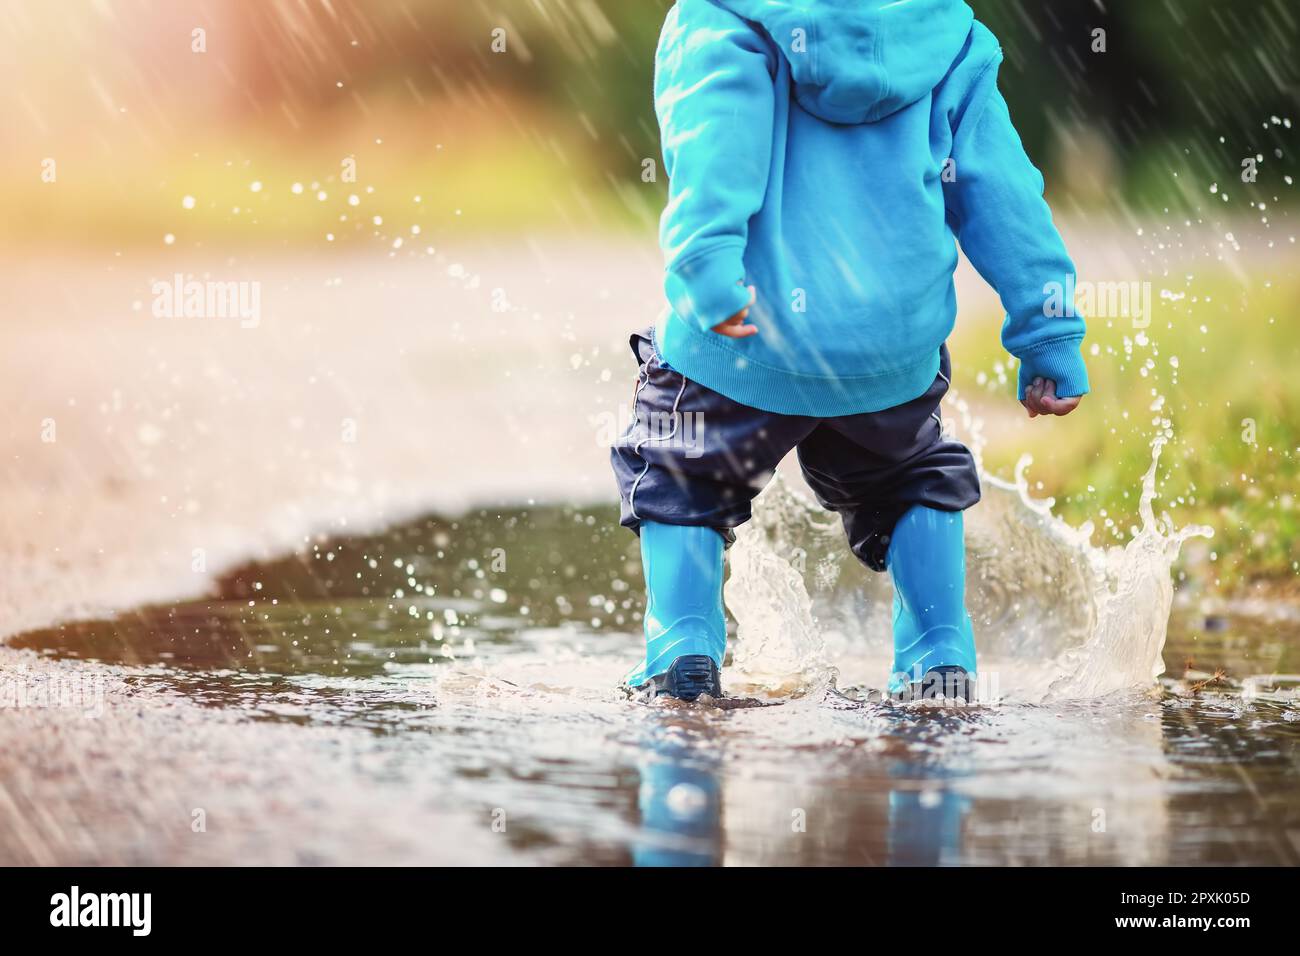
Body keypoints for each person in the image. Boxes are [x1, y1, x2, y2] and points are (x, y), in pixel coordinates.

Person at [612, 0, 1087, 702]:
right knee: (911, 476)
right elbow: (1000, 190)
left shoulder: (728, 16)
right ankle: (938, 653)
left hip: (750, 332)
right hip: (887, 347)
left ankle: (682, 647)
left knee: (680, 466)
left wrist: (708, 263)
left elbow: (717, 136)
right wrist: (1048, 327)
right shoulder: (944, 32)